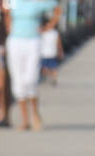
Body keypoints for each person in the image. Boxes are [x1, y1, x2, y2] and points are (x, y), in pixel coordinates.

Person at [5, 0, 60, 131]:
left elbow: (57, 9)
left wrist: (49, 26)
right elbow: (6, 11)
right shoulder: (13, 1)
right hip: (15, 41)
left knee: (31, 78)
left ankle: (35, 114)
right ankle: (25, 120)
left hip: (33, 41)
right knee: (18, 80)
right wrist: (9, 26)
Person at [39, 12, 63, 83]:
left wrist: (60, 51)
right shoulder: (42, 32)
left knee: (52, 67)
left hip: (51, 53)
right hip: (44, 53)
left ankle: (53, 78)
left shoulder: (54, 33)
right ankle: (51, 76)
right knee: (45, 68)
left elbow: (59, 44)